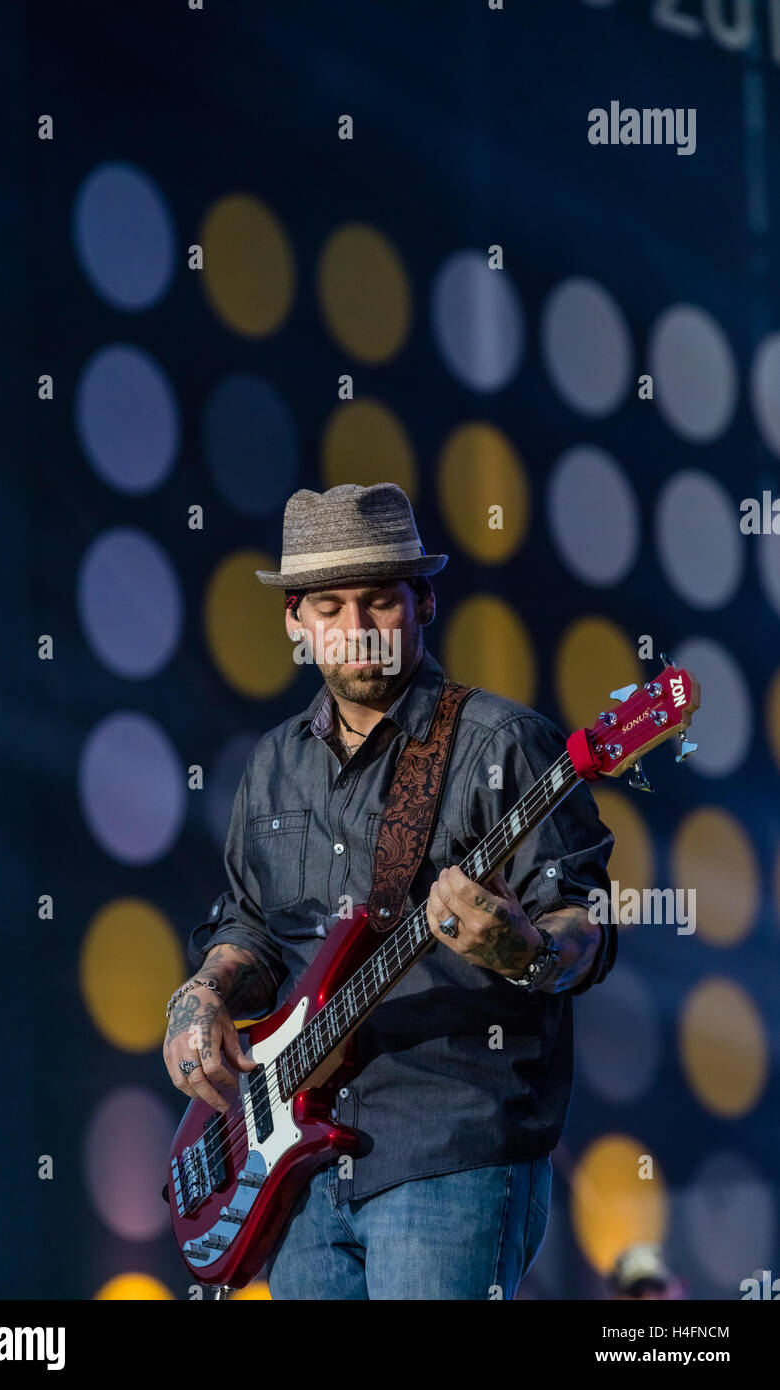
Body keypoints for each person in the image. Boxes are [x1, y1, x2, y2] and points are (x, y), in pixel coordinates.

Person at [163, 481, 616, 1300]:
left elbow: (582, 925)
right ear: (296, 621)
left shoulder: (505, 745)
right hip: (298, 1171)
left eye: (379, 602)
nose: (358, 631)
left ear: (424, 602)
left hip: (450, 1145)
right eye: (331, 608)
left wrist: (529, 951)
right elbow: (255, 930)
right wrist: (202, 993)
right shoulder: (271, 765)